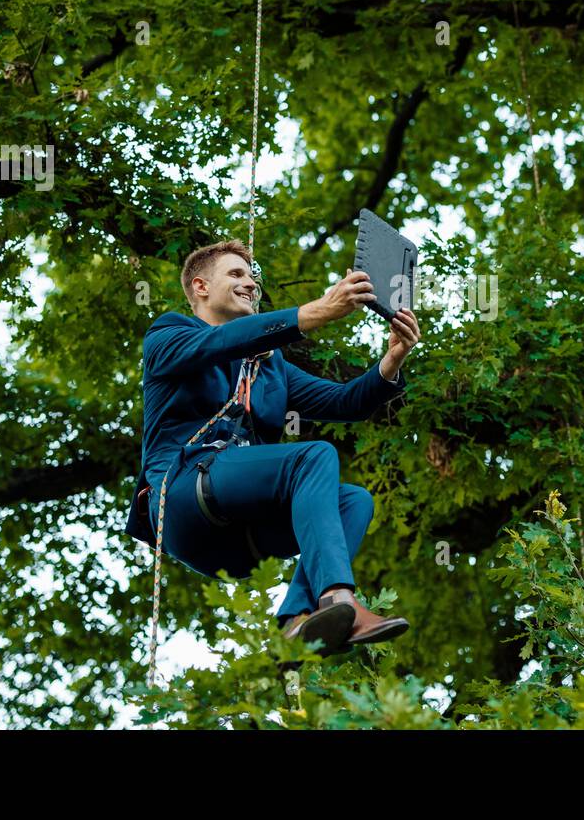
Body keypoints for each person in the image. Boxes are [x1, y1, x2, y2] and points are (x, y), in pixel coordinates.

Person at [124, 239, 421, 655]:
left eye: (253, 277)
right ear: (201, 287)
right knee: (313, 456)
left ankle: (296, 621)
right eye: (236, 274)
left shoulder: (268, 365)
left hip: (239, 539)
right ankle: (339, 600)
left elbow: (343, 402)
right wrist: (314, 312)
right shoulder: (170, 334)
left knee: (353, 500)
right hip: (183, 499)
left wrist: (390, 361)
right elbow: (219, 344)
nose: (250, 284)